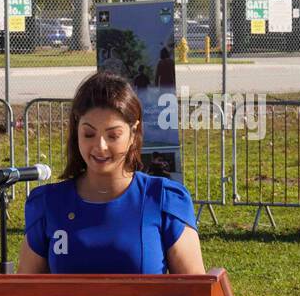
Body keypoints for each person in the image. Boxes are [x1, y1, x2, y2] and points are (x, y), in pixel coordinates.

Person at [17, 72, 205, 275]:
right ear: (76, 131)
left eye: (113, 135)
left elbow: (196, 295)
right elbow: (24, 295)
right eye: (89, 134)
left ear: (133, 133)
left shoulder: (164, 200)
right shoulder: (48, 204)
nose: (100, 147)